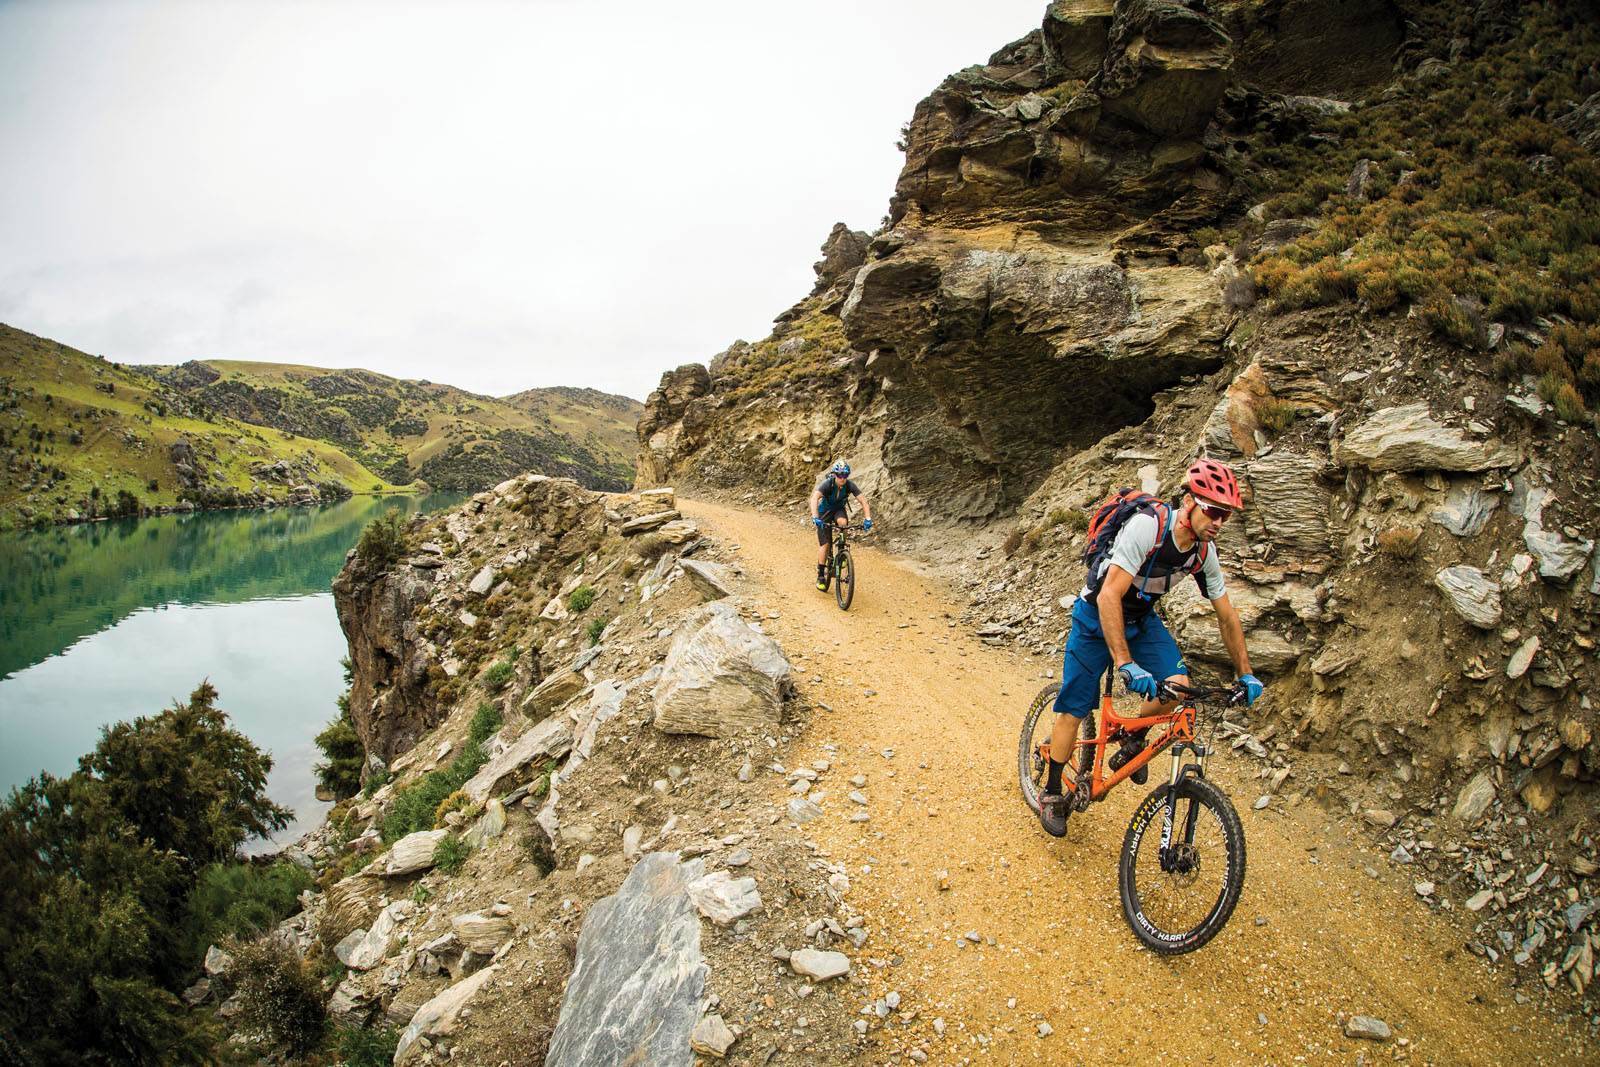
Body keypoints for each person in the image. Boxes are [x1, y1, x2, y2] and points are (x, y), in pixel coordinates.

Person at [1038, 458, 1264, 837]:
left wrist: (1246, 672)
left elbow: (1227, 616)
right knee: (1075, 707)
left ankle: (1132, 737)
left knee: (1178, 686)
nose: (1218, 522)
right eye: (1212, 510)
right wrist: (1126, 662)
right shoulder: (1148, 528)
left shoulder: (1203, 553)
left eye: (1225, 515)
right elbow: (1110, 594)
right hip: (1096, 615)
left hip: (1141, 620)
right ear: (1190, 501)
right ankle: (1052, 791)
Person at [811, 460, 872, 590]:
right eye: (839, 475)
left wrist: (868, 518)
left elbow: (864, 501)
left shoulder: (849, 485)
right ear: (834, 474)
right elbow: (815, 498)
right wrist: (815, 517)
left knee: (843, 523)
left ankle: (842, 550)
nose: (842, 478)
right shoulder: (828, 484)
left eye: (845, 475)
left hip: (839, 510)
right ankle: (821, 575)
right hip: (825, 512)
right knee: (825, 544)